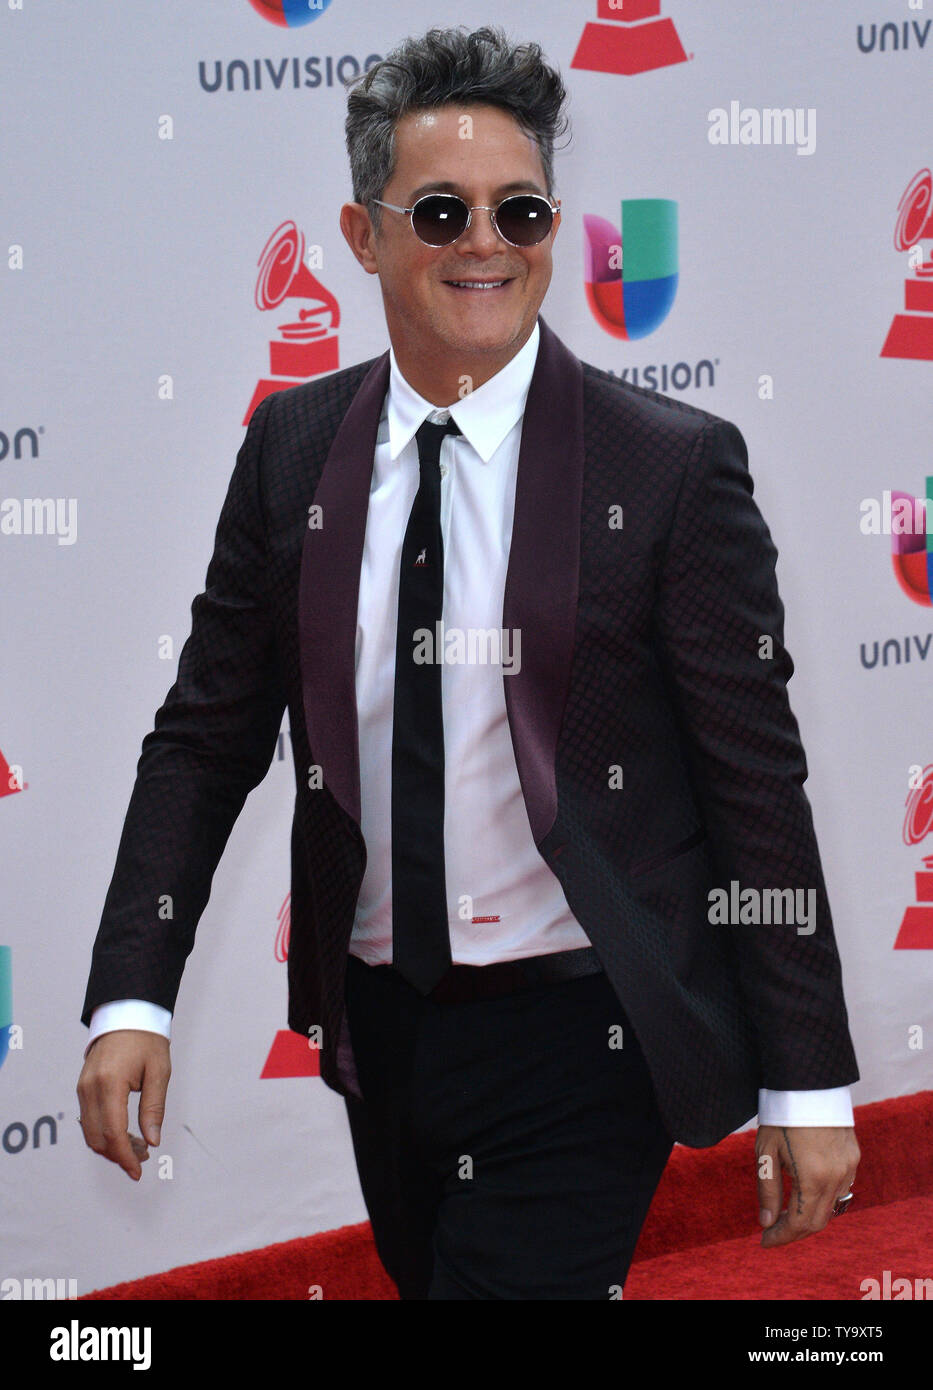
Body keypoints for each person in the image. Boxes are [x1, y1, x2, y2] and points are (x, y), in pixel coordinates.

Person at [78, 25, 860, 1300]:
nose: (486, 243)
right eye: (441, 211)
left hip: (584, 1031)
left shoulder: (666, 467)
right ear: (363, 233)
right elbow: (206, 734)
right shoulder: (292, 450)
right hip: (380, 1032)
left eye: (523, 209)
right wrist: (132, 999)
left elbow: (755, 786)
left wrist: (809, 1076)